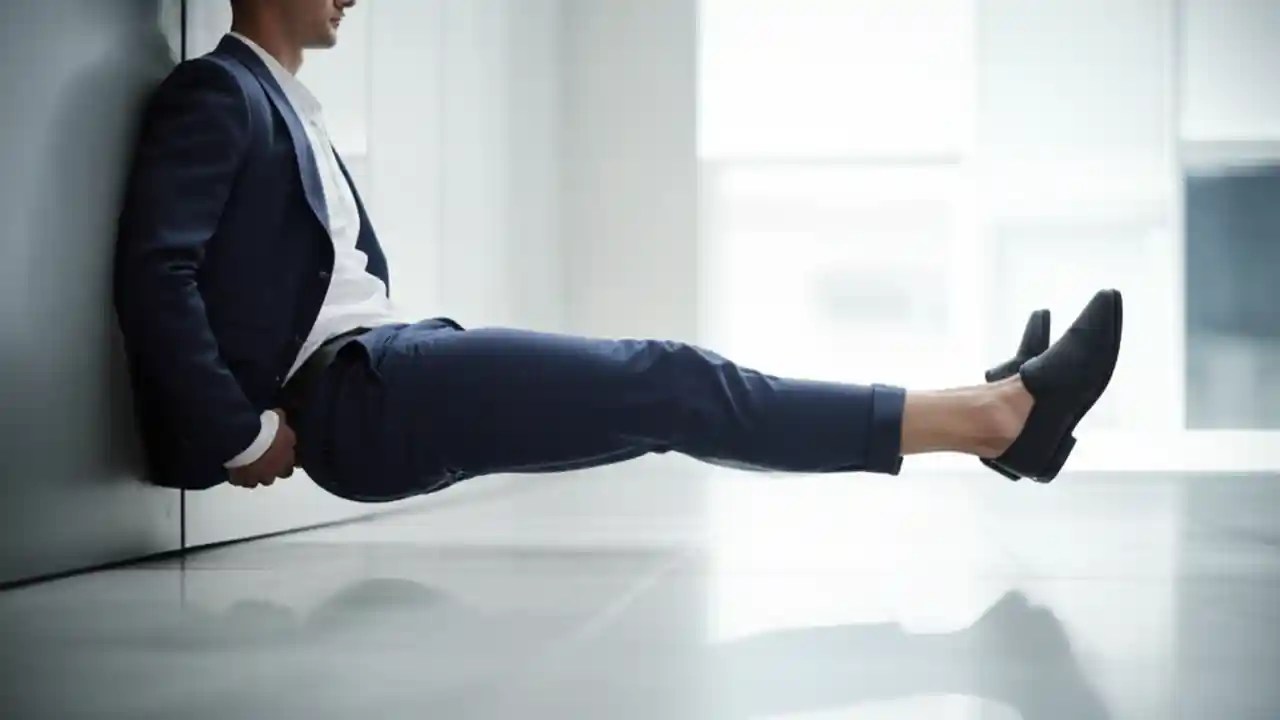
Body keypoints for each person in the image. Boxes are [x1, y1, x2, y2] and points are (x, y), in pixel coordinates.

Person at [113, 0, 1123, 502]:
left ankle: (997, 420)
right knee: (671, 383)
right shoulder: (219, 91)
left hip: (387, 369)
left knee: (667, 397)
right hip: (351, 395)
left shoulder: (293, 108)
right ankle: (996, 417)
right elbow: (156, 272)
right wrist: (237, 436)